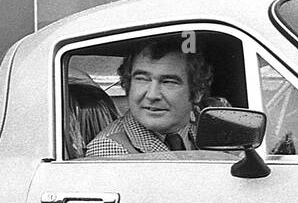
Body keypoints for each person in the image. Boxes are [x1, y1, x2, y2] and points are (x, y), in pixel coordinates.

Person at [85, 36, 213, 158]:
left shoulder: (200, 135)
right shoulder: (109, 151)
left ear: (197, 93)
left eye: (168, 82)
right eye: (142, 79)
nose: (152, 95)